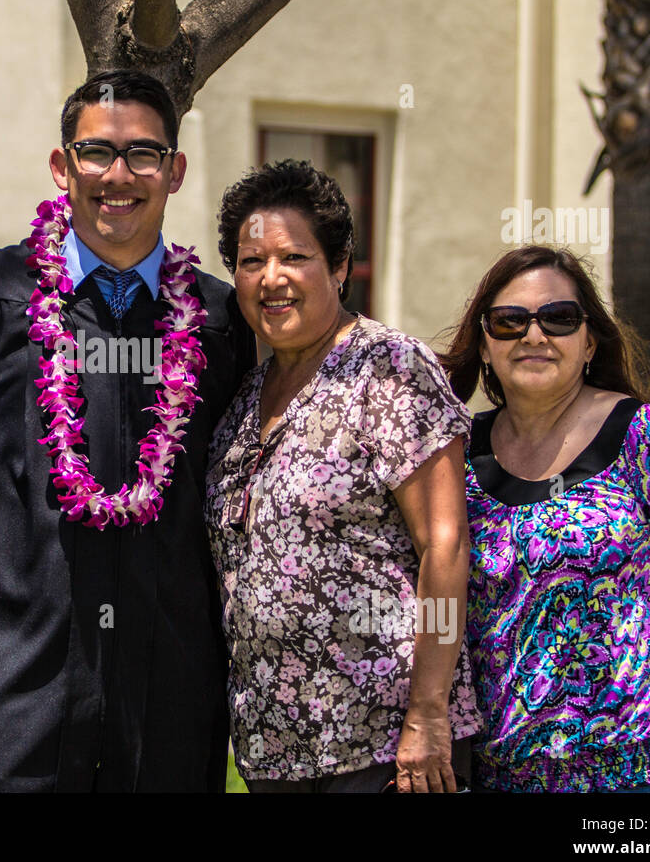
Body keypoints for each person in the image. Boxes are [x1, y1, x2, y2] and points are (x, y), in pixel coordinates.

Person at [0, 69, 256, 791]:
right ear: (62, 165)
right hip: (19, 681)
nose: (119, 174)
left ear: (175, 171)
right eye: (97, 151)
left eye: (144, 154)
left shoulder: (220, 319)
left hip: (168, 687)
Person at [205, 160, 480, 792]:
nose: (271, 278)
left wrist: (428, 713)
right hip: (275, 748)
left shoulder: (389, 367)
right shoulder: (244, 396)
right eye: (251, 262)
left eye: (294, 257)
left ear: (338, 266)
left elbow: (445, 544)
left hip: (385, 743)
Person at [441, 245, 650, 792]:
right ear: (485, 344)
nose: (534, 335)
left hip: (640, 772)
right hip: (503, 772)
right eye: (509, 321)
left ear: (589, 342)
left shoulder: (640, 435)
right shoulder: (458, 455)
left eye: (559, 318)